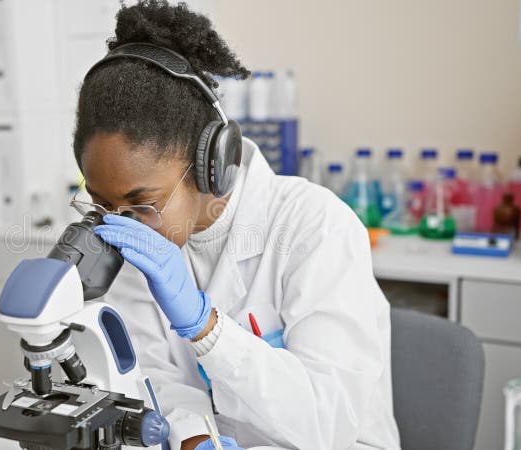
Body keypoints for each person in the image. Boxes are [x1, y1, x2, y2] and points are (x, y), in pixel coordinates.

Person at [71, 1, 400, 449]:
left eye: (142, 202)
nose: (123, 225)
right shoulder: (129, 230)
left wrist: (206, 328)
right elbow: (155, 378)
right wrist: (192, 437)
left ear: (213, 165)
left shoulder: (316, 227)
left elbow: (329, 424)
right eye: (101, 202)